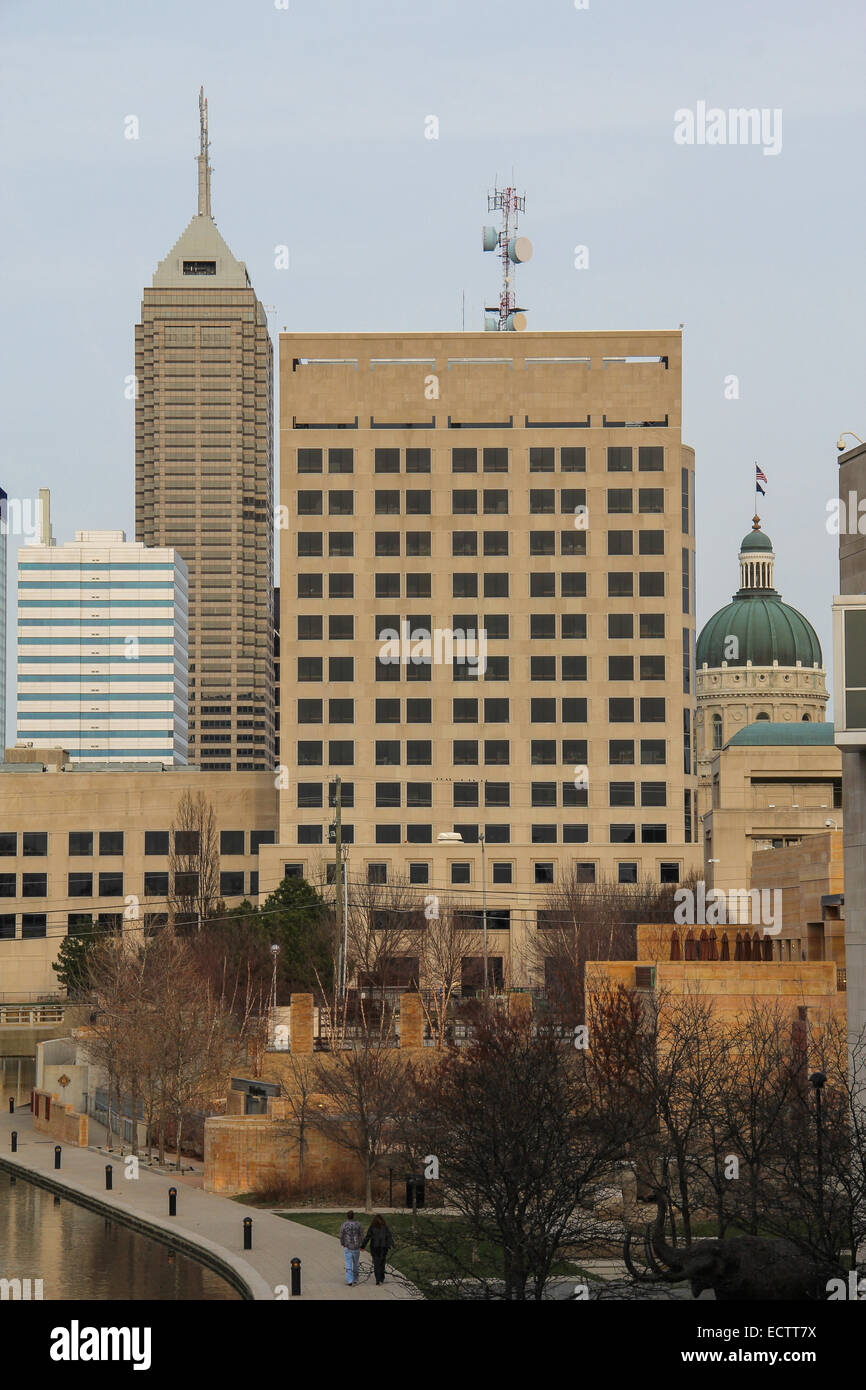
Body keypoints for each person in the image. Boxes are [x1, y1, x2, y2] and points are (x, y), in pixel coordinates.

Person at [361, 1213, 395, 1286]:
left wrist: (363, 1246)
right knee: (382, 1262)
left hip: (375, 1247)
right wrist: (392, 1244)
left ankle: (377, 1279)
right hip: (383, 1247)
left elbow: (367, 1237)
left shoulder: (372, 1227)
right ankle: (381, 1277)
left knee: (376, 1263)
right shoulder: (385, 1227)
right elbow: (389, 1235)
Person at [339, 1210, 362, 1286]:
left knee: (348, 1263)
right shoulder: (358, 1224)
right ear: (353, 1216)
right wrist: (361, 1244)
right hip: (356, 1247)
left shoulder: (344, 1225)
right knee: (355, 1263)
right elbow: (361, 1235)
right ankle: (355, 1279)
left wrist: (342, 1243)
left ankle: (349, 1280)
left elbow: (341, 1235)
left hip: (348, 1246)